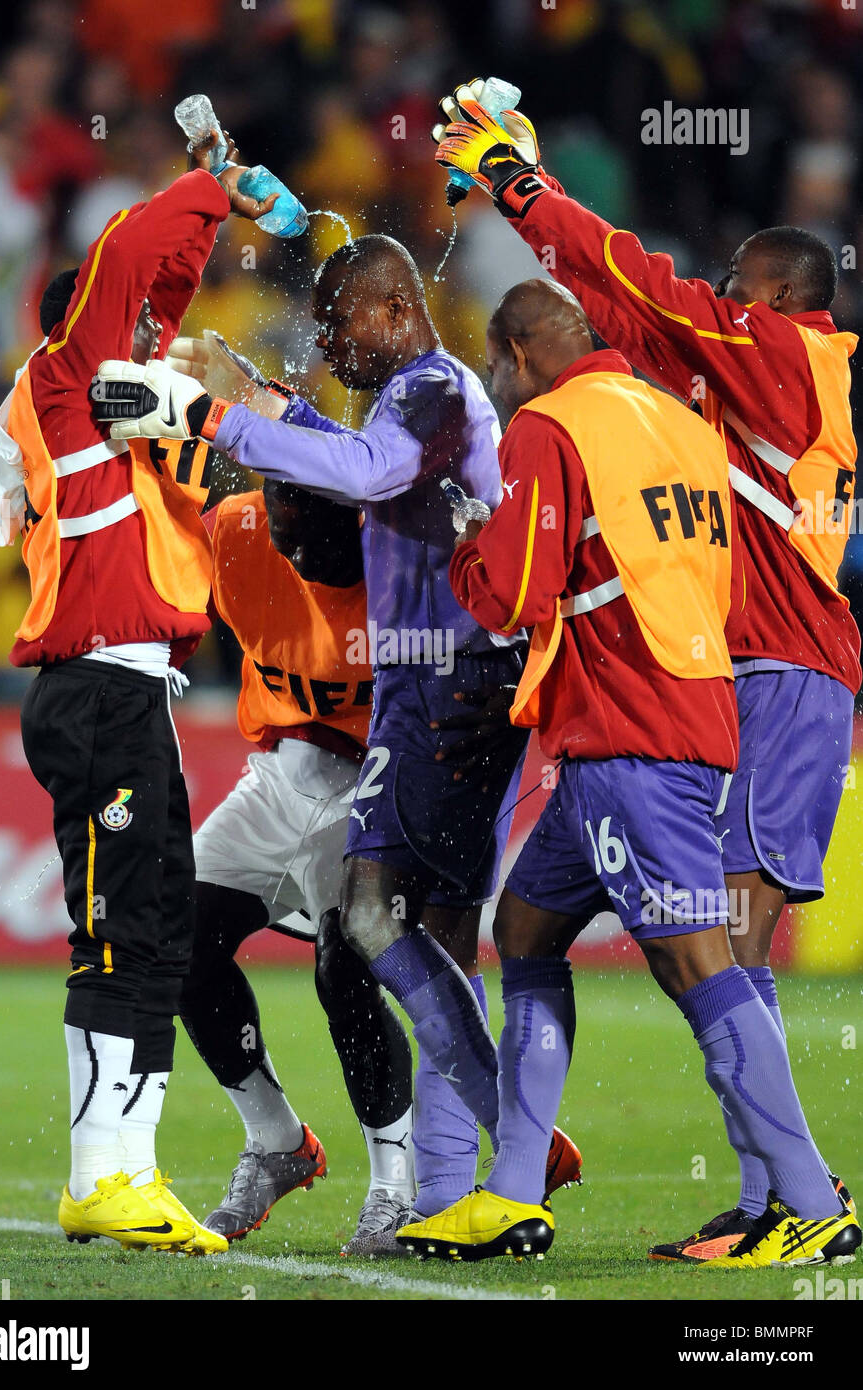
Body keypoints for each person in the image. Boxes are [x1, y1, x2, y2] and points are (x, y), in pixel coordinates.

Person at [433, 83, 860, 1267]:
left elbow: (637, 289)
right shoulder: (727, 395)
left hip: (772, 674)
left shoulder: (782, 357)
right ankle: (757, 1190)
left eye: (734, 283)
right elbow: (614, 351)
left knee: (723, 944)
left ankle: (801, 1196)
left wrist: (521, 185)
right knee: (551, 931)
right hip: (737, 674)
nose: (715, 297)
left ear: (775, 299)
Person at [90, 233, 582, 1245]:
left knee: (384, 928)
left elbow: (360, 473)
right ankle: (476, 1174)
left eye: (337, 316)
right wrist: (261, 396)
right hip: (412, 699)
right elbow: (347, 462)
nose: (323, 335)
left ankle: (497, 1154)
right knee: (398, 928)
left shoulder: (435, 393)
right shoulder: (408, 401)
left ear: (396, 311)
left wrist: (210, 412)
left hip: (453, 688)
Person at [0, 141, 276, 1255]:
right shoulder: (66, 381)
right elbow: (122, 270)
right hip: (96, 692)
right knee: (113, 931)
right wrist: (212, 190)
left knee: (149, 933)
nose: (156, 344)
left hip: (132, 696)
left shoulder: (113, 428)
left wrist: (197, 234)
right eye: (138, 332)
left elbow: (148, 289)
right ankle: (99, 1174)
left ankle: (131, 1173)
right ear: (86, 332)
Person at [180, 475, 417, 1256]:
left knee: (341, 970)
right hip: (280, 772)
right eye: (286, 531)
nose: (300, 553)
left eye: (316, 534)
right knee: (176, 939)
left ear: (357, 513)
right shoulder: (234, 528)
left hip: (377, 781)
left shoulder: (412, 553)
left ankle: (396, 1187)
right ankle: (276, 1140)